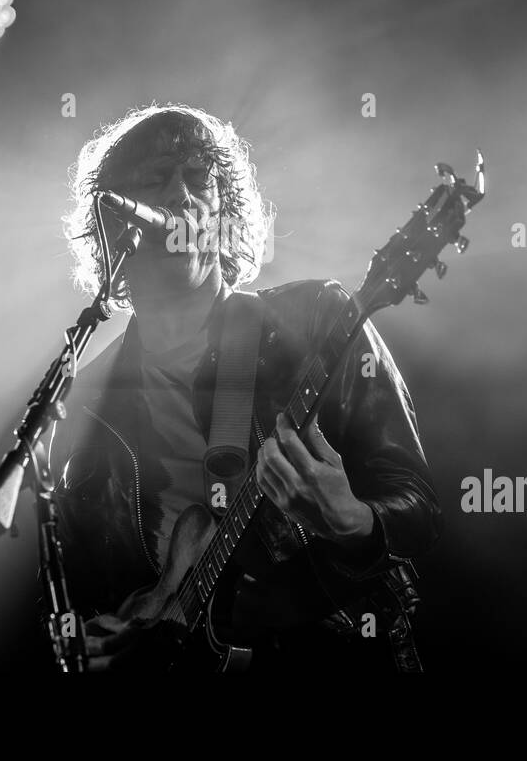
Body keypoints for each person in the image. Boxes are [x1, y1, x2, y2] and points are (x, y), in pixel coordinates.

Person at [52, 103, 440, 671]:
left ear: (224, 210)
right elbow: (83, 590)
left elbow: (417, 503)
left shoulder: (316, 320)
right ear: (116, 224)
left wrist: (356, 522)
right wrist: (103, 640)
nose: (181, 196)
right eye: (155, 180)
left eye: (198, 176)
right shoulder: (88, 404)